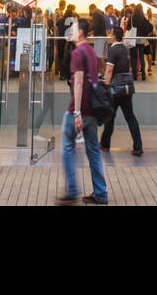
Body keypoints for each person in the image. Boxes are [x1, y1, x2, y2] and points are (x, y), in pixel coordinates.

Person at [56, 17, 109, 204]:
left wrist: (77, 112)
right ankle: (101, 193)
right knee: (93, 150)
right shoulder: (92, 52)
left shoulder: (78, 53)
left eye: (73, 28)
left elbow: (79, 82)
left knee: (67, 147)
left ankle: (72, 190)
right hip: (93, 111)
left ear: (80, 33)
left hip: (78, 110)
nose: (70, 31)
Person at [100, 26, 143, 156]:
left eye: (110, 34)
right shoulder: (125, 49)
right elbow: (128, 68)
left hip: (115, 89)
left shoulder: (113, 50)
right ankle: (138, 146)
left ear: (114, 36)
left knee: (110, 117)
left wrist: (106, 88)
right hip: (127, 88)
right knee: (130, 117)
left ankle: (104, 145)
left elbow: (109, 70)